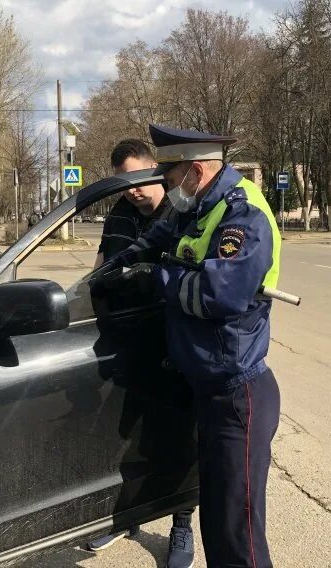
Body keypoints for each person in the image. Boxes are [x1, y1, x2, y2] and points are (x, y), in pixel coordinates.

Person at [106, 124, 282, 568]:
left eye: (170, 175)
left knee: (236, 531)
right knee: (217, 523)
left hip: (235, 395)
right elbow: (161, 239)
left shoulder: (243, 215)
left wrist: (159, 277)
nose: (166, 185)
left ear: (196, 170)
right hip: (207, 387)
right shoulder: (200, 205)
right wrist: (124, 262)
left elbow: (217, 295)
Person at [87, 138, 197, 568]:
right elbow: (101, 269)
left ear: (155, 170)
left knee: (175, 436)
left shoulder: (182, 211)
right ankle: (126, 517)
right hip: (125, 341)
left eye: (140, 179)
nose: (133, 190)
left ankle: (181, 526)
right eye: (124, 182)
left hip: (170, 344)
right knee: (122, 434)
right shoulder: (119, 213)